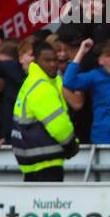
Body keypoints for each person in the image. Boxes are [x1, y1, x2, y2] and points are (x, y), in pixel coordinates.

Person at [10, 40, 79, 181]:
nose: (52, 64)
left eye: (55, 60)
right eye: (47, 60)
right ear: (36, 61)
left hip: (33, 160)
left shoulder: (32, 81)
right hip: (46, 161)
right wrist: (71, 145)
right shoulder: (42, 86)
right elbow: (58, 124)